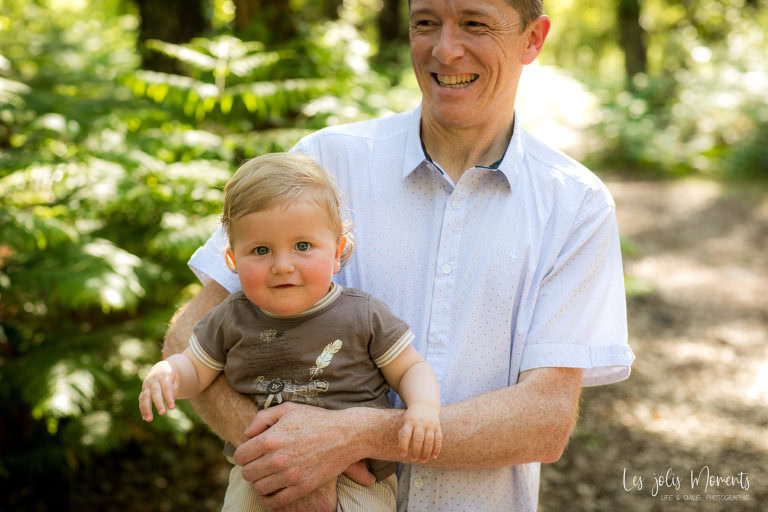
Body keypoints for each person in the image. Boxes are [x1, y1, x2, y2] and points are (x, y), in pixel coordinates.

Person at [163, 0, 635, 510]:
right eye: (426, 23)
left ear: (533, 39)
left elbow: (543, 419)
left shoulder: (575, 204)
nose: (445, 50)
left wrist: (356, 436)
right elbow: (188, 335)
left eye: (474, 24)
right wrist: (281, 457)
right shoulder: (323, 163)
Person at [141, 153, 442, 511]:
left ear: (338, 252)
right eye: (261, 250)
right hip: (260, 472)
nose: (282, 266)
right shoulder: (231, 318)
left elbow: (408, 368)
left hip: (354, 474)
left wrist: (423, 407)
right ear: (232, 261)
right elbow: (196, 370)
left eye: (302, 246)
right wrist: (170, 373)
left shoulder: (361, 314)